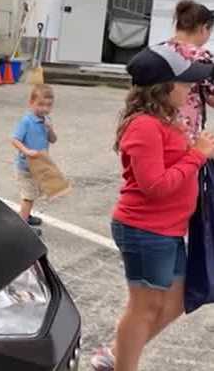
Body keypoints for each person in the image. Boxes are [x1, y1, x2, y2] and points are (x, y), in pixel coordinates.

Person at [89, 43, 214, 371]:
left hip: (168, 229)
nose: (191, 89)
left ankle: (119, 352)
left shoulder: (167, 120)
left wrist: (199, 152)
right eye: (185, 83)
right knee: (143, 308)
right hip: (145, 230)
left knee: (175, 302)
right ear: (164, 87)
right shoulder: (144, 126)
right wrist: (197, 154)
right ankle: (121, 361)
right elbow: (155, 187)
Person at [163, 0, 214, 142]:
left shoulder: (160, 50)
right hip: (186, 132)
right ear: (204, 29)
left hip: (158, 126)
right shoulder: (201, 57)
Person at [11, 84, 57, 227]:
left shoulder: (46, 121)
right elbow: (15, 139)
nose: (45, 109)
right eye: (40, 105)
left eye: (48, 105)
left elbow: (53, 140)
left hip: (39, 166)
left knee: (33, 193)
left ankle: (26, 215)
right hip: (25, 167)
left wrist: (50, 129)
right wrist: (26, 151)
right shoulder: (26, 121)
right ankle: (23, 226)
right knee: (29, 196)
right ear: (32, 103)